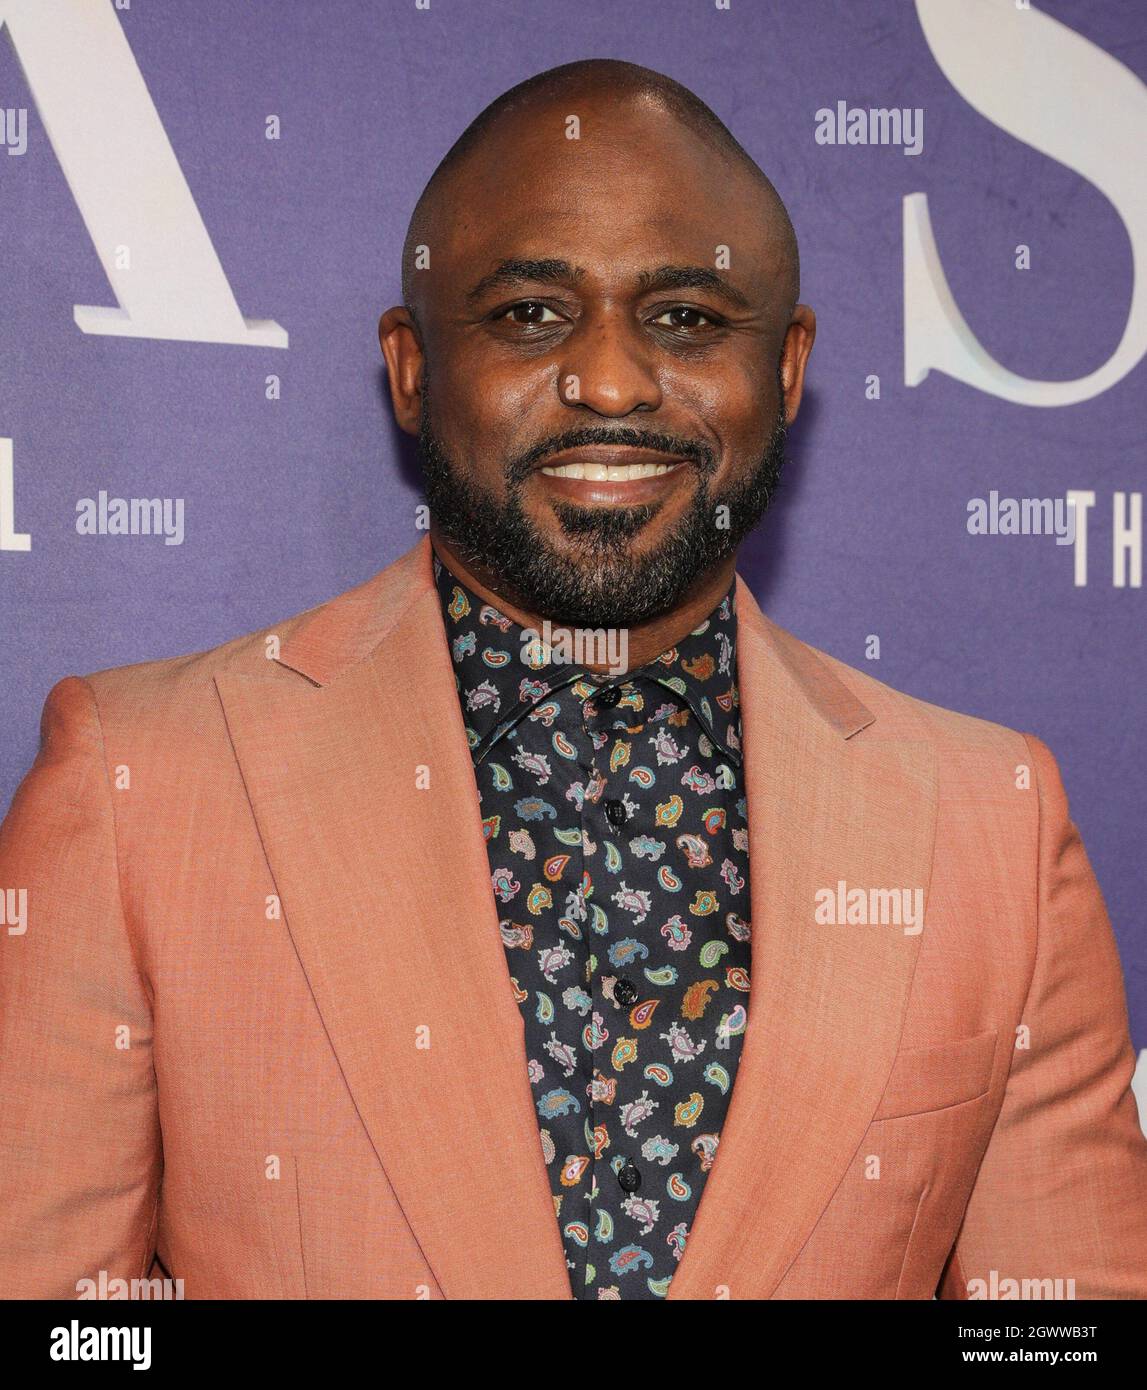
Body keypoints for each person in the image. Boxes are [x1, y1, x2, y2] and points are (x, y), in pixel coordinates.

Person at [1, 59, 1144, 1301]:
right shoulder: (140, 782)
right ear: (411, 367)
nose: (611, 381)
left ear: (790, 369)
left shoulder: (992, 824)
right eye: (532, 314)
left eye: (689, 319)